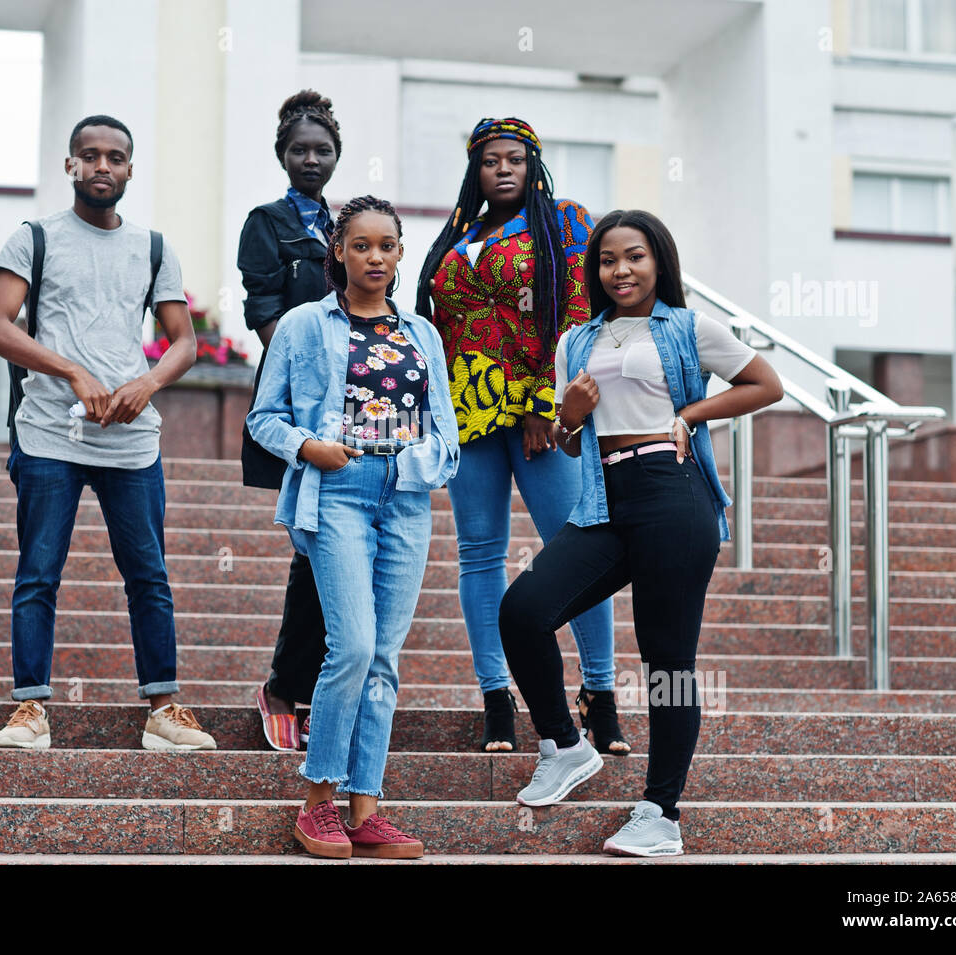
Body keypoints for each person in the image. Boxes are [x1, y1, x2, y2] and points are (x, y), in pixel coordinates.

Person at [497, 209, 784, 856]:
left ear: (659, 261)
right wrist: (567, 419)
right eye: (606, 260)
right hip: (604, 499)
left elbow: (765, 384)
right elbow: (571, 446)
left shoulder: (686, 326)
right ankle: (565, 746)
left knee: (667, 660)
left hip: (671, 493)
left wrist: (690, 412)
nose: (620, 270)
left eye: (635, 256)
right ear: (593, 270)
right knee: (523, 609)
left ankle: (661, 810)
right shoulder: (577, 339)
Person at [0, 114, 216, 753]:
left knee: (148, 576)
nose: (102, 166)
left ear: (131, 169)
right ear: (70, 166)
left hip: (132, 442)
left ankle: (163, 710)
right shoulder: (34, 238)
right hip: (50, 433)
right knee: (38, 573)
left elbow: (185, 342)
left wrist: (147, 384)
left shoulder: (153, 247)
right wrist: (71, 370)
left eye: (115, 157)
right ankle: (29, 710)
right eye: (89, 156)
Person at [248, 196, 458, 859]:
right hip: (336, 490)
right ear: (337, 249)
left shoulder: (424, 333)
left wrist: (416, 464)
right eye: (361, 245)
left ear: (401, 253)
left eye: (387, 246)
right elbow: (264, 417)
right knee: (355, 646)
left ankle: (366, 807)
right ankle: (318, 800)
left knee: (385, 660)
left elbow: (446, 436)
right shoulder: (305, 325)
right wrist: (310, 447)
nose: (375, 257)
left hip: (406, 497)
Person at [416, 117, 627, 755]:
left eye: (515, 158)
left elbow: (580, 311)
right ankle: (496, 695)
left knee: (578, 549)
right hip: (467, 413)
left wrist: (547, 403)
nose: (503, 169)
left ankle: (599, 692)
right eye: (490, 161)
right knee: (479, 555)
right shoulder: (458, 234)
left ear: (533, 165)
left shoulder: (563, 219)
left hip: (539, 412)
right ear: (474, 170)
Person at [238, 90, 340, 752]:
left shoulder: (347, 224)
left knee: (335, 549)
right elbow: (265, 312)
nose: (311, 158)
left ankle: (312, 688)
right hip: (297, 410)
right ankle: (283, 688)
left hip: (355, 410)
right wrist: (312, 381)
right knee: (313, 547)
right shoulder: (266, 222)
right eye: (299, 149)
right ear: (282, 154)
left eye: (323, 149)